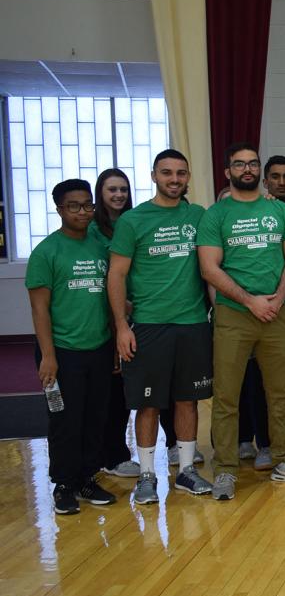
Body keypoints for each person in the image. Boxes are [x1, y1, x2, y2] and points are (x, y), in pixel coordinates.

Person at [198, 143, 285, 500]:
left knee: (279, 393)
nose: (246, 169)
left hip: (276, 315)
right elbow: (209, 267)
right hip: (234, 316)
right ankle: (226, 470)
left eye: (252, 164)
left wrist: (278, 300)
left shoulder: (281, 211)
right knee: (227, 396)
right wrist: (250, 301)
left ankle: (283, 459)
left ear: (259, 170)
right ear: (227, 172)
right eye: (239, 164)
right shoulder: (216, 215)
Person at [107, 149, 214, 502]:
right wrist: (122, 327)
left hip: (194, 324)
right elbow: (117, 275)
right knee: (148, 404)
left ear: (188, 177)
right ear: (154, 176)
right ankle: (148, 475)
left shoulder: (199, 216)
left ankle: (185, 470)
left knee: (188, 400)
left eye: (181, 173)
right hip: (150, 327)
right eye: (167, 173)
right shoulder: (133, 221)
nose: (174, 179)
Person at [26, 178, 116, 514]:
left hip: (99, 347)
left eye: (87, 205)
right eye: (74, 206)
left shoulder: (99, 246)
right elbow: (39, 309)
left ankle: (87, 479)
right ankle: (63, 484)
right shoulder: (47, 252)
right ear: (60, 209)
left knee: (96, 418)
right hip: (62, 352)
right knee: (65, 420)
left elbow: (110, 296)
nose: (82, 211)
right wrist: (48, 356)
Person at [91, 168, 137, 478]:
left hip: (136, 317)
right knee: (106, 391)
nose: (118, 195)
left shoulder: (134, 222)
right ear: (100, 193)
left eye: (123, 189)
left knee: (125, 390)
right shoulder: (91, 229)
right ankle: (109, 454)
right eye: (112, 189)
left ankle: (116, 451)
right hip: (104, 319)